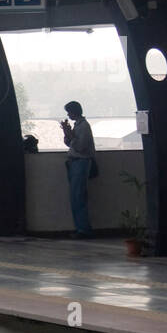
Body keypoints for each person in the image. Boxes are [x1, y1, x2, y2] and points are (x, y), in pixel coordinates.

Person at [60, 100, 95, 238]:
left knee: (78, 196)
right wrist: (67, 132)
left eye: (69, 112)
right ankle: (80, 227)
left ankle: (84, 229)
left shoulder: (84, 126)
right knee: (75, 196)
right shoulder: (78, 126)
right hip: (75, 163)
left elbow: (80, 147)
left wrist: (71, 135)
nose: (68, 115)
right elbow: (69, 143)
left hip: (81, 162)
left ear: (74, 112)